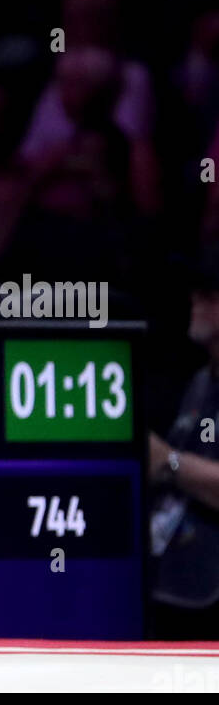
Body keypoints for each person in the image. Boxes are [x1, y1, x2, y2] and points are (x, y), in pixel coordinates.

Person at [148, 260, 219, 641]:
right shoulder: (198, 383)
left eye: (209, 295)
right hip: (178, 586)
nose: (196, 302)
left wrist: (169, 463)